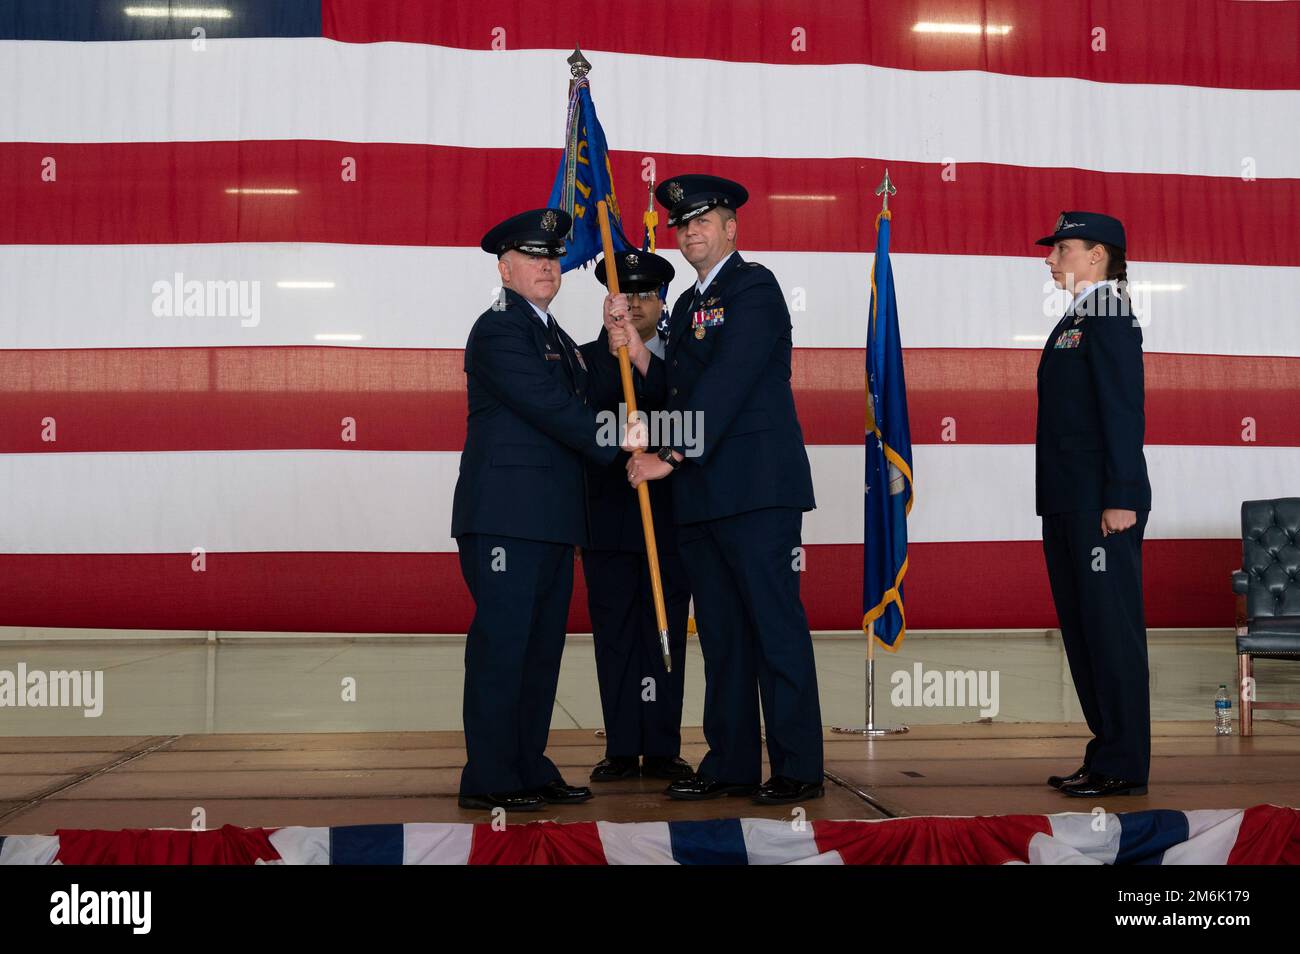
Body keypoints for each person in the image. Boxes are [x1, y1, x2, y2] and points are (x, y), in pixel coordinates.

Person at [606, 174, 824, 805]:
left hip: (756, 491)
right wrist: (638, 353)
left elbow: (727, 384)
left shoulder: (754, 287)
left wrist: (669, 455)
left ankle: (797, 765)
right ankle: (730, 762)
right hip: (705, 498)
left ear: (732, 227)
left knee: (773, 629)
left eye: (705, 219)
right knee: (725, 636)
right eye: (683, 223)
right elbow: (681, 388)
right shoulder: (687, 307)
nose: (691, 229)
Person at [451, 207, 622, 812]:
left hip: (548, 520)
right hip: (506, 520)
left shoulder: (550, 334)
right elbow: (553, 407)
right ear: (505, 268)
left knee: (540, 649)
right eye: (531, 256)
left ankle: (526, 764)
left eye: (552, 257)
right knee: (505, 646)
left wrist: (614, 339)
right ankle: (492, 775)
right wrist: (619, 439)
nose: (545, 265)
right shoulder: (500, 330)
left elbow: (588, 388)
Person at [1035, 211, 1152, 798]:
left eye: (1062, 248)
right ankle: (1105, 750)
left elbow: (1123, 409)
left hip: (1101, 504)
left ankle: (1125, 762)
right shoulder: (1078, 315)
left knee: (1110, 632)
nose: (1051, 259)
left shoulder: (1108, 313)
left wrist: (1122, 497)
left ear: (1098, 254)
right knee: (1084, 633)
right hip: (1068, 500)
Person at [580, 249, 694, 783]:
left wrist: (656, 439)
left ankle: (663, 746)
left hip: (670, 522)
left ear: (662, 301)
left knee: (664, 632)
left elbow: (689, 424)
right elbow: (583, 428)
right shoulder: (585, 359)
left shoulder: (682, 364)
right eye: (626, 295)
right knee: (617, 637)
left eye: (647, 295)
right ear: (610, 303)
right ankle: (623, 746)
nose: (637, 305)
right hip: (606, 522)